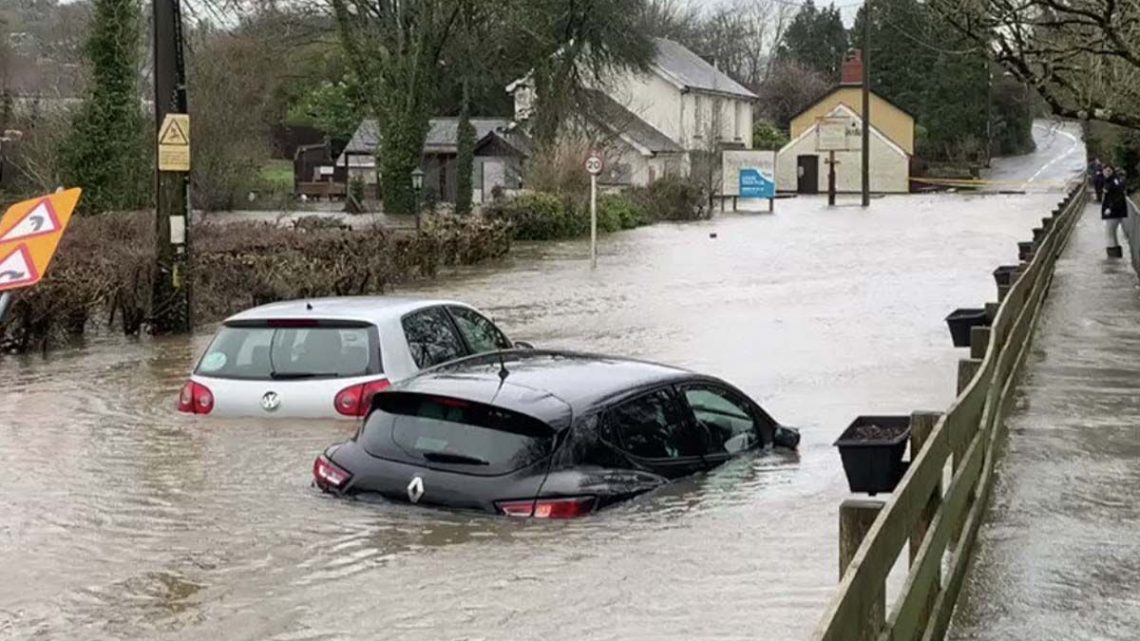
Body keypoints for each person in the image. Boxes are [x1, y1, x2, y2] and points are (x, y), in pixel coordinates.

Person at [1102, 166, 1128, 258]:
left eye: (1109, 171)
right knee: (1112, 233)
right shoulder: (1111, 180)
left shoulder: (1113, 181)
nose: (1106, 172)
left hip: (1114, 211)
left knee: (1109, 233)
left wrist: (1110, 208)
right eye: (1105, 171)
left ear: (1112, 171)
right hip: (1115, 211)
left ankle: (1113, 258)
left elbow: (1118, 196)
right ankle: (1116, 256)